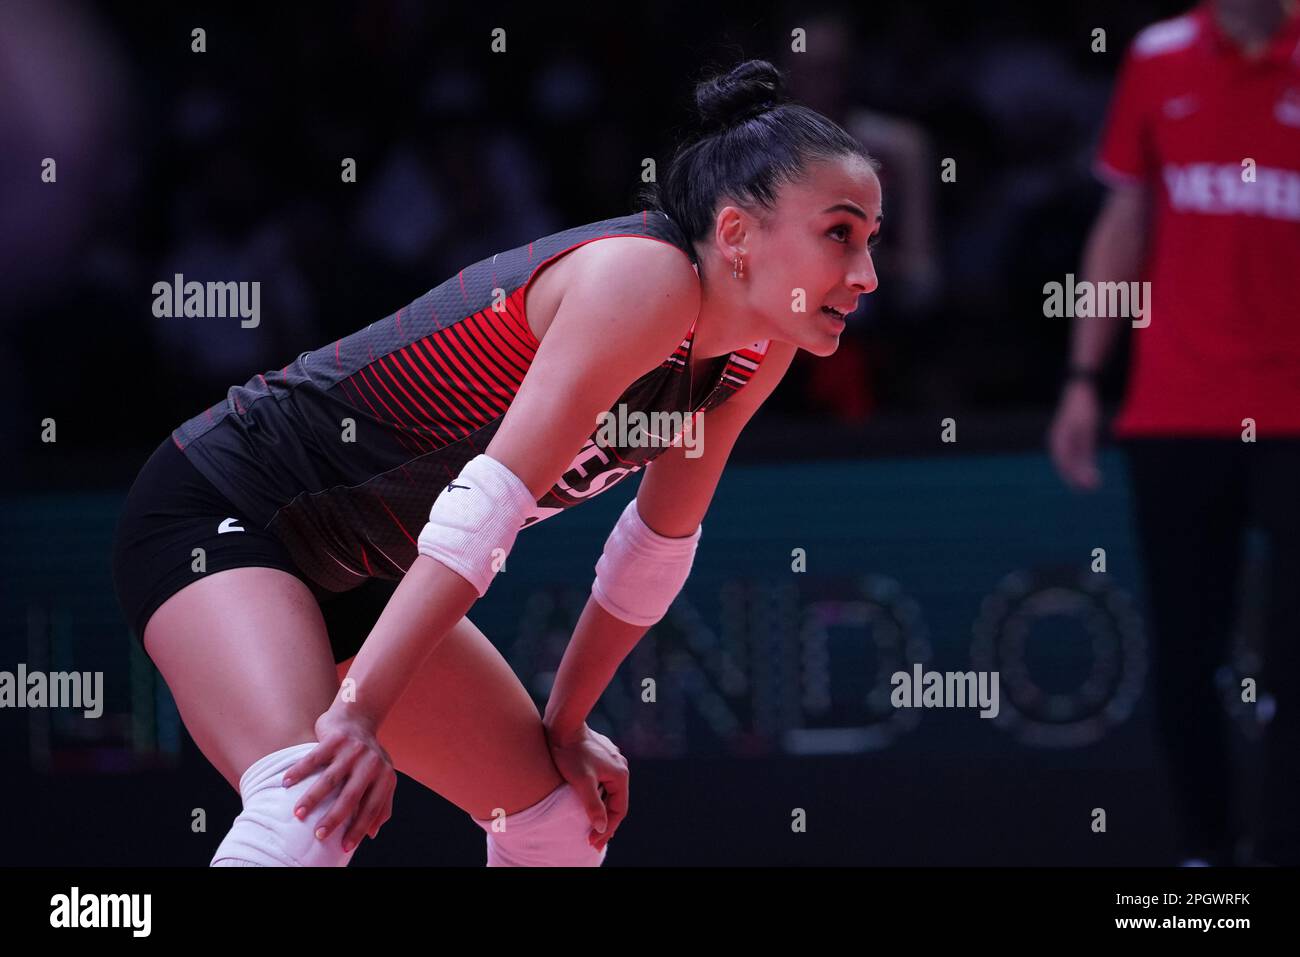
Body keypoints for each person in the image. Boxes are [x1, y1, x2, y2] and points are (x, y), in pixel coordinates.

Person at [111, 58, 884, 866]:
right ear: (735, 233)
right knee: (311, 809)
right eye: (838, 233)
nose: (865, 275)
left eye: (870, 240)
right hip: (222, 507)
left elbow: (653, 550)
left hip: (360, 571)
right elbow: (490, 504)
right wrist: (358, 711)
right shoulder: (642, 276)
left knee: (558, 825)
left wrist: (567, 725)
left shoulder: (756, 352)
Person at [1049, 0, 1300, 865]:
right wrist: (1085, 378)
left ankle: (1277, 850)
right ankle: (1207, 861)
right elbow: (1123, 221)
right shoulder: (1159, 59)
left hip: (1296, 417)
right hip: (1177, 410)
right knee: (1187, 653)